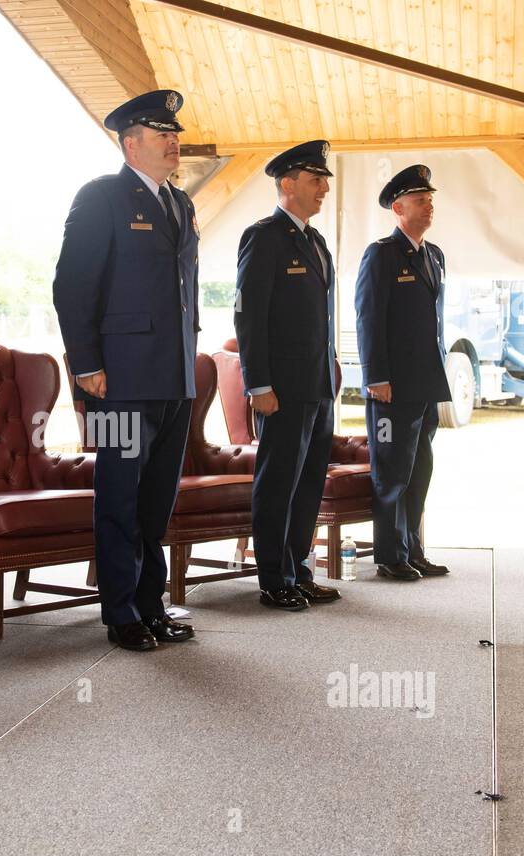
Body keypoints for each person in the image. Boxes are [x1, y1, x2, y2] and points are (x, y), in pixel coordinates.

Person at [52, 90, 200, 651]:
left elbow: (183, 295)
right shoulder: (102, 197)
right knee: (119, 496)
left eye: (175, 134)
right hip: (118, 380)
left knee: (157, 499)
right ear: (130, 143)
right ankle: (120, 613)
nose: (174, 142)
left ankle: (151, 604)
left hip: (173, 378)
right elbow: (72, 286)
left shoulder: (181, 204)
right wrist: (86, 365)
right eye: (163, 135)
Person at [233, 141, 344, 611]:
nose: (323, 188)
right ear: (287, 183)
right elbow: (249, 316)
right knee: (278, 481)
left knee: (308, 482)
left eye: (325, 180)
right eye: (315, 179)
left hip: (317, 385)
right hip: (279, 388)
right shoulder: (264, 237)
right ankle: (273, 578)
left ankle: (300, 570)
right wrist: (258, 384)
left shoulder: (315, 242)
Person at [354, 164, 453, 581]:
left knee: (419, 472)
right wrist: (376, 377)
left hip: (425, 383)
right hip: (391, 386)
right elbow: (368, 318)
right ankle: (390, 555)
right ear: (398, 207)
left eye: (430, 199)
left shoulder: (434, 255)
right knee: (392, 471)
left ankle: (414, 549)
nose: (429, 206)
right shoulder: (382, 254)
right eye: (419, 200)